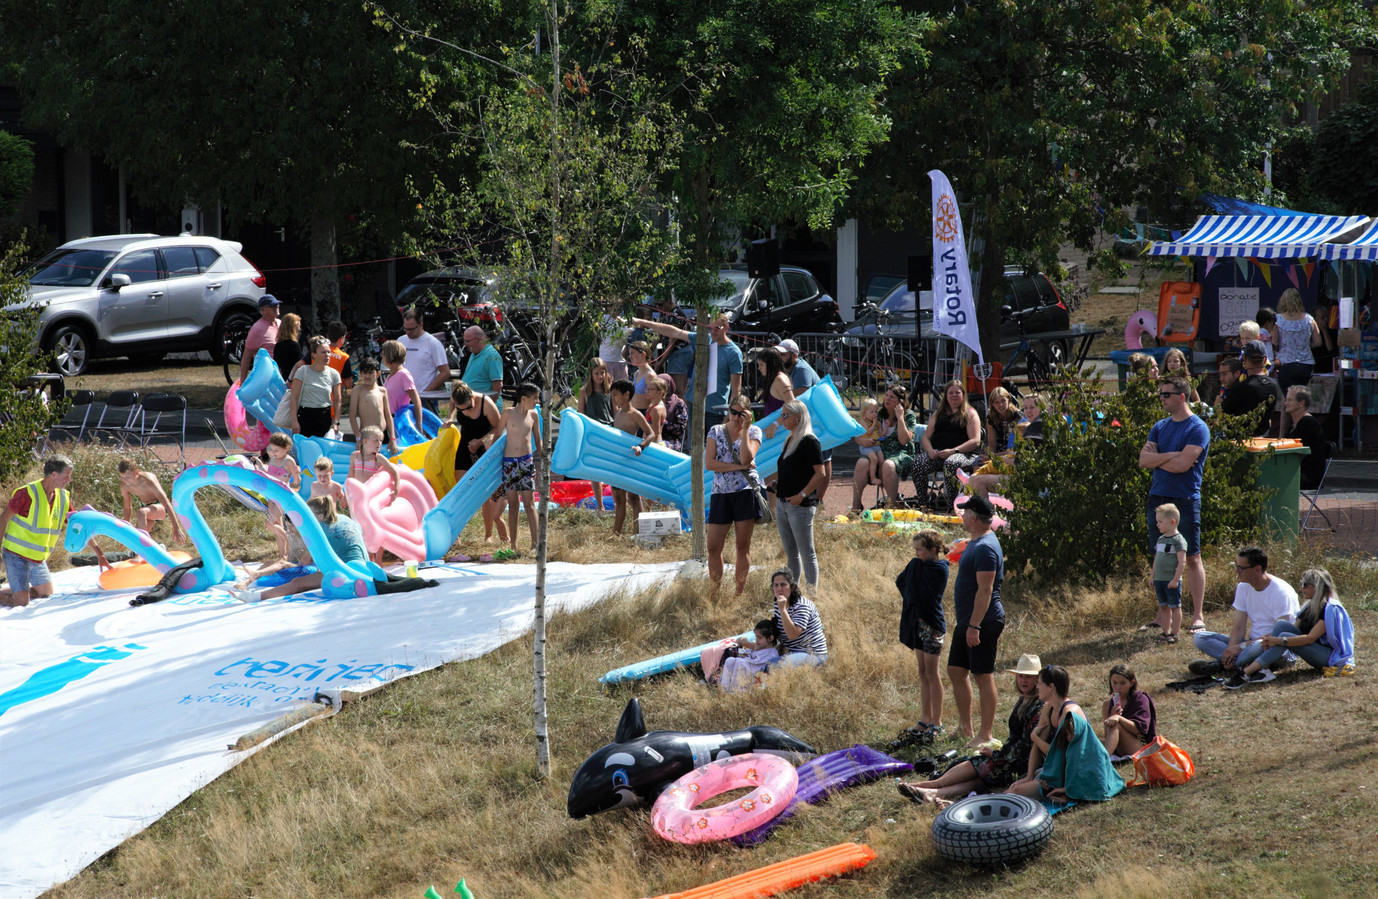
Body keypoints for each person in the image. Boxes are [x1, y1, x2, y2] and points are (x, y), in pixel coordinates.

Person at [896, 653, 1045, 808]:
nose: (1023, 680)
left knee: (976, 764)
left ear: (1037, 680)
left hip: (1023, 764)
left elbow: (1026, 746)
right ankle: (931, 792)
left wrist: (996, 754)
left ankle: (929, 785)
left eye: (1028, 677)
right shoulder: (1025, 700)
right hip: (1013, 759)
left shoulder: (1038, 707)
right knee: (979, 779)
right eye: (1020, 676)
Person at [1139, 374, 1210, 632]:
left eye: (1166, 394)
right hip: (1158, 497)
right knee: (1160, 555)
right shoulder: (1159, 426)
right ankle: (1163, 615)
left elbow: (1183, 466)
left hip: (1184, 499)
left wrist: (1159, 458)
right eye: (1160, 394)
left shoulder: (1197, 428)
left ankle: (1197, 615)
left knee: (1191, 557)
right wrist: (1172, 455)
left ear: (1181, 396)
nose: (1161, 398)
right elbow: (1143, 461)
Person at [1008, 665, 1125, 805]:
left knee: (1015, 793)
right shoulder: (1049, 708)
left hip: (1084, 772)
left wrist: (1035, 738)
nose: (1037, 687)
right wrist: (1029, 775)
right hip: (1063, 769)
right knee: (1013, 790)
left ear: (1051, 687)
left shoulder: (1070, 714)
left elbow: (1062, 755)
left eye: (1039, 683)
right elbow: (1039, 748)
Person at [1227, 567, 1355, 686]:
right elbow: (1293, 629)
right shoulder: (1309, 607)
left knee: (1284, 637)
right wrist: (1269, 640)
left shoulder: (1329, 608)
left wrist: (1278, 640)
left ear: (1317, 587)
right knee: (1281, 625)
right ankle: (1263, 668)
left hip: (1329, 657)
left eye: (1305, 585)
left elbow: (1310, 638)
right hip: (1313, 649)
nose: (1302, 588)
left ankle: (1246, 672)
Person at [1190, 545, 1299, 679]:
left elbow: (1278, 635)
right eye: (1237, 566)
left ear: (1257, 569)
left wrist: (1240, 647)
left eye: (1241, 568)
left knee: (1257, 647)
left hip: (1277, 648)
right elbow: (1239, 626)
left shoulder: (1281, 593)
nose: (1237, 571)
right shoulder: (1243, 587)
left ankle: (1224, 665)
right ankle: (1236, 664)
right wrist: (1231, 651)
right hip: (1250, 645)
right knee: (1200, 638)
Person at [234, 496, 370, 603]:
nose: (307, 520)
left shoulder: (320, 531)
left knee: (298, 583)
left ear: (321, 516)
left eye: (310, 516)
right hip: (364, 568)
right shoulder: (344, 519)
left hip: (346, 571)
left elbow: (306, 561)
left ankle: (255, 597)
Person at [950, 493, 1005, 749]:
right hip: (968, 621)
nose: (962, 515)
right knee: (956, 670)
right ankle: (965, 727)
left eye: (965, 512)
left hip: (982, 621)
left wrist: (974, 626)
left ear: (973, 516)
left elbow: (986, 590)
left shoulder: (985, 548)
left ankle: (985, 734)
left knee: (983, 676)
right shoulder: (976, 541)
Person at [631, 313, 742, 428]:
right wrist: (643, 322)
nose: (713, 331)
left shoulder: (733, 352)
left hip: (716, 410)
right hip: (695, 405)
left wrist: (730, 416)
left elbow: (736, 390)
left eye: (717, 328)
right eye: (710, 328)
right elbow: (674, 332)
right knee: (692, 439)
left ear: (726, 328)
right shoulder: (704, 339)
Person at [1, 455, 78, 607]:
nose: (69, 480)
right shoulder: (26, 494)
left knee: (45, 592)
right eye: (66, 475)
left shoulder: (63, 497)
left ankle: (18, 591)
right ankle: (19, 595)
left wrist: (100, 555)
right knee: (22, 602)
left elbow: (78, 526)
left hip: (36, 557)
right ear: (54, 474)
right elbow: (2, 519)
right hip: (16, 555)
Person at [704, 393, 762, 595]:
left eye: (741, 414)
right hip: (720, 493)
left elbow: (747, 457)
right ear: (728, 411)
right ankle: (715, 592)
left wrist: (745, 430)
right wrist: (738, 467)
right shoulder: (716, 431)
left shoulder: (754, 431)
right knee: (713, 547)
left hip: (744, 491)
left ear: (748, 414)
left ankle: (739, 594)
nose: (736, 417)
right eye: (733, 412)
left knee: (742, 546)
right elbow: (710, 464)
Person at [897, 530, 950, 738]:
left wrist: (915, 568)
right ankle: (925, 718)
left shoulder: (939, 568)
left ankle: (937, 722)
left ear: (933, 549)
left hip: (932, 625)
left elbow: (924, 593)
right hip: (917, 625)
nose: (916, 553)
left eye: (920, 549)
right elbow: (902, 581)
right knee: (922, 672)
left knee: (932, 673)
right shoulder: (917, 564)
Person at [771, 399, 825, 588]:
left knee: (807, 553)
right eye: (782, 415)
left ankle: (811, 595)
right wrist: (778, 484)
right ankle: (793, 594)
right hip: (783, 503)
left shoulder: (809, 441)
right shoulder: (790, 439)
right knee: (791, 554)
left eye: (785, 415)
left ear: (798, 417)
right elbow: (793, 470)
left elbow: (821, 473)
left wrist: (802, 495)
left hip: (800, 505)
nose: (782, 419)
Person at [908, 380, 982, 511]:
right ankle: (923, 504)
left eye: (957, 392)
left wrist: (953, 451)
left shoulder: (970, 413)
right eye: (950, 393)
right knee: (918, 463)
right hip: (939, 453)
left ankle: (953, 507)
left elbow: (975, 441)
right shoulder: (939, 413)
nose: (954, 395)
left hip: (964, 454)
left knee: (951, 463)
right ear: (946, 396)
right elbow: (926, 437)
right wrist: (930, 450)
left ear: (963, 394)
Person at [447, 380, 506, 542]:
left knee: (484, 495)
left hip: (483, 448)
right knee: (460, 492)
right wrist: (450, 416)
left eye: (468, 408)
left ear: (472, 397)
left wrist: (480, 441)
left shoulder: (486, 404)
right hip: (465, 447)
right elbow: (453, 402)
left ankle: (488, 535)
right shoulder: (458, 398)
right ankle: (456, 535)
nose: (465, 411)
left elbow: (498, 429)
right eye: (461, 409)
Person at [849, 383, 919, 512]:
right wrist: (864, 441)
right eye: (886, 395)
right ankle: (856, 507)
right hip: (879, 451)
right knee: (862, 463)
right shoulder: (879, 414)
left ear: (900, 401)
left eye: (892, 397)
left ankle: (891, 506)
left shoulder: (908, 415)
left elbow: (903, 441)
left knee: (888, 464)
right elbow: (859, 437)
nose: (887, 399)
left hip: (901, 453)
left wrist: (900, 417)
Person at [777, 338, 831, 503]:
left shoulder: (801, 370)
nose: (780, 358)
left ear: (794, 356)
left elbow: (798, 397)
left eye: (783, 354)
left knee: (823, 458)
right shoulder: (788, 370)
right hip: (808, 419)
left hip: (820, 420)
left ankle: (818, 500)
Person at [968, 393, 1043, 499]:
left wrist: (1000, 459)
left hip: (1030, 480)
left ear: (1041, 407)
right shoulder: (1040, 424)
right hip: (1029, 474)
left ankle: (982, 510)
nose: (1028, 411)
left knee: (977, 480)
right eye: (1026, 408)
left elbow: (1022, 462)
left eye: (1032, 407)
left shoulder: (1036, 427)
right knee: (975, 477)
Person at [497, 382, 542, 552]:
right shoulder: (508, 413)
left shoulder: (534, 415)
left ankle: (535, 544)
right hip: (509, 463)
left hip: (526, 462)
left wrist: (543, 457)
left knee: (529, 504)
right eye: (534, 398)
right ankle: (513, 545)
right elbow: (497, 435)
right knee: (513, 504)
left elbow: (537, 439)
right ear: (523, 399)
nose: (537, 401)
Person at [749, 567, 827, 666]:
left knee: (770, 666)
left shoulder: (802, 606)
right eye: (776, 585)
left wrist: (783, 610)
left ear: (792, 587)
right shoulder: (778, 602)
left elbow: (792, 635)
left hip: (812, 654)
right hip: (790, 650)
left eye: (783, 585)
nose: (779, 589)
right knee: (756, 658)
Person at [609, 378, 652, 534]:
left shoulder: (636, 414)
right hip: (618, 461)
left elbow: (651, 434)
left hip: (630, 461)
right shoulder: (618, 414)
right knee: (619, 499)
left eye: (615, 394)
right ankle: (616, 534)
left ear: (626, 395)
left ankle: (638, 533)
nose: (613, 398)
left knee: (634, 498)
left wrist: (641, 446)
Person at [1143, 502, 1187, 644]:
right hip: (1159, 580)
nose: (1157, 524)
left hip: (1171, 581)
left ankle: (1175, 633)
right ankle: (1166, 631)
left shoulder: (1179, 540)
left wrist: (1175, 580)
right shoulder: (1161, 539)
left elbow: (1182, 562)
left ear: (1172, 522)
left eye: (1160, 522)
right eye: (1157, 521)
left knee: (1175, 607)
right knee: (1163, 606)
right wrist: (1153, 576)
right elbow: (1157, 560)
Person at [577, 359, 616, 511]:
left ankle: (617, 503)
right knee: (595, 472)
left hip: (608, 432)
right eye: (596, 373)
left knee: (611, 469)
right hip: (592, 435)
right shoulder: (584, 391)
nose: (600, 376)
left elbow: (615, 412)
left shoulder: (610, 391)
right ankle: (600, 507)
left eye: (602, 373)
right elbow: (581, 415)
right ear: (590, 374)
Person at [117, 459, 187, 543]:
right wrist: (125, 530)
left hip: (160, 506)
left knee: (141, 513)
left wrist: (176, 528)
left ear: (137, 472)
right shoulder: (124, 485)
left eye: (128, 477)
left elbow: (167, 503)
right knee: (136, 539)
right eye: (122, 477)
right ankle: (156, 547)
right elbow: (127, 508)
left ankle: (144, 545)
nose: (125, 480)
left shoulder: (148, 481)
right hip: (146, 508)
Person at [288, 336, 343, 439]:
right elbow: (294, 397)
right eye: (323, 352)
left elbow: (337, 399)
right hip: (305, 416)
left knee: (323, 448)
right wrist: (294, 421)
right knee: (305, 447)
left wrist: (336, 422)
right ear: (314, 355)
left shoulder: (334, 374)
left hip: (324, 416)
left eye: (328, 352)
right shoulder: (303, 371)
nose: (327, 355)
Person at [1099, 664, 1156, 757]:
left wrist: (1119, 718)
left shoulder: (1140, 699)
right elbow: (1107, 734)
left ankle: (1103, 760)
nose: (1118, 687)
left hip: (1140, 745)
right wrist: (1111, 718)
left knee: (1116, 725)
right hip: (1117, 746)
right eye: (1114, 683)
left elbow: (1139, 730)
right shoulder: (1107, 704)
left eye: (1123, 683)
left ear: (1131, 683)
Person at [260, 433, 301, 559]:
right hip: (271, 495)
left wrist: (296, 474)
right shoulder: (273, 459)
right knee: (277, 524)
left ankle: (289, 540)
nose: (273, 452)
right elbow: (270, 475)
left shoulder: (288, 461)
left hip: (282, 496)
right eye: (272, 449)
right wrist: (261, 467)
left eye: (276, 450)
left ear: (286, 448)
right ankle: (283, 555)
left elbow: (297, 482)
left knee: (270, 523)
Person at [398, 307, 452, 400]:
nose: (408, 333)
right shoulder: (400, 341)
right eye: (406, 329)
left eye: (411, 329)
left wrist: (426, 393)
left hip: (425, 398)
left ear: (421, 325)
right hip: (403, 397)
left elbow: (445, 372)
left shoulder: (433, 343)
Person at [348, 358, 399, 453]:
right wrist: (358, 437)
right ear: (360, 374)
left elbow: (388, 416)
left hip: (383, 434)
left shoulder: (382, 391)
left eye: (371, 373)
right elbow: (352, 416)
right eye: (364, 373)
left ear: (378, 374)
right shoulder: (357, 391)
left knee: (384, 459)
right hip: (367, 435)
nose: (367, 376)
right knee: (369, 460)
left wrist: (392, 438)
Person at [717, 619, 780, 693]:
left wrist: (747, 660)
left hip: (754, 674)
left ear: (771, 638)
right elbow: (743, 654)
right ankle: (724, 689)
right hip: (746, 666)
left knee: (740, 663)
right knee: (729, 660)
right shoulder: (758, 647)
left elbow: (761, 665)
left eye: (760, 638)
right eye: (756, 637)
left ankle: (737, 691)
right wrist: (744, 646)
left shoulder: (772, 652)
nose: (757, 640)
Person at [1283, 385, 1328, 489]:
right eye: (1286, 399)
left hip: (1307, 474)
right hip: (1294, 469)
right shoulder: (1294, 424)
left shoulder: (1308, 423)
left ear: (1301, 403)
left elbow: (1294, 450)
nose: (1286, 403)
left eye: (1290, 400)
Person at [381, 340, 425, 434]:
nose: (382, 357)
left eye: (383, 354)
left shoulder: (404, 375)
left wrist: (418, 425)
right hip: (389, 421)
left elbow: (416, 401)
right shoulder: (390, 376)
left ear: (390, 355)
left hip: (399, 422)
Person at [461, 326, 505, 408]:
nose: (465, 344)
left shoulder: (492, 356)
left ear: (478, 340)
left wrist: (486, 407)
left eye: (468, 341)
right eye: (465, 341)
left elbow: (498, 385)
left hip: (485, 408)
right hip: (470, 405)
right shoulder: (474, 353)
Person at [240, 294, 280, 383]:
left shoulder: (281, 323)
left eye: (277, 304)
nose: (276, 307)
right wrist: (242, 383)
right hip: (267, 378)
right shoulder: (257, 329)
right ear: (262, 310)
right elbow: (246, 357)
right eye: (272, 306)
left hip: (282, 376)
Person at [855, 397, 889, 489]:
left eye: (876, 412)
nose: (874, 414)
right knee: (874, 459)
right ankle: (873, 478)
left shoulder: (877, 423)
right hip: (866, 447)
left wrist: (886, 427)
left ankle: (881, 477)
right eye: (871, 412)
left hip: (876, 446)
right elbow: (868, 433)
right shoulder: (863, 422)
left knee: (881, 461)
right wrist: (874, 423)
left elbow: (881, 434)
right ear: (864, 413)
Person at [755, 346, 794, 417]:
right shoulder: (772, 379)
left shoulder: (780, 380)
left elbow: (792, 406)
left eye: (761, 365)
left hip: (779, 423)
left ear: (771, 364)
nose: (759, 368)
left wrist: (779, 422)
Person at [984, 386, 1022, 454]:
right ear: (992, 404)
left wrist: (996, 456)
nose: (1001, 405)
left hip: (1015, 452)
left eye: (1003, 401)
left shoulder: (1018, 416)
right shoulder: (991, 418)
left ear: (1008, 400)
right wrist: (989, 455)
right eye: (997, 402)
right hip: (998, 452)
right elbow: (992, 445)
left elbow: (1019, 446)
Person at [660, 376, 690, 454]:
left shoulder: (678, 403)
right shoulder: (654, 401)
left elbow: (680, 428)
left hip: (672, 439)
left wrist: (663, 422)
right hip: (655, 437)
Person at [627, 340, 658, 412]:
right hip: (634, 412)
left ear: (643, 354)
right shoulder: (636, 373)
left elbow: (655, 399)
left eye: (632, 353)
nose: (629, 356)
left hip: (644, 413)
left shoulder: (650, 375)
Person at [326, 320, 356, 391]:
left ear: (327, 336)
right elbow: (348, 384)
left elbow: (301, 365)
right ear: (341, 339)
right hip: (332, 396)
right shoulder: (344, 358)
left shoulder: (316, 350)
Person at [273, 312, 304, 381]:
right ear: (293, 328)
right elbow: (299, 365)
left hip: (283, 379)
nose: (299, 329)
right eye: (298, 326)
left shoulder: (278, 345)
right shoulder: (294, 346)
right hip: (293, 380)